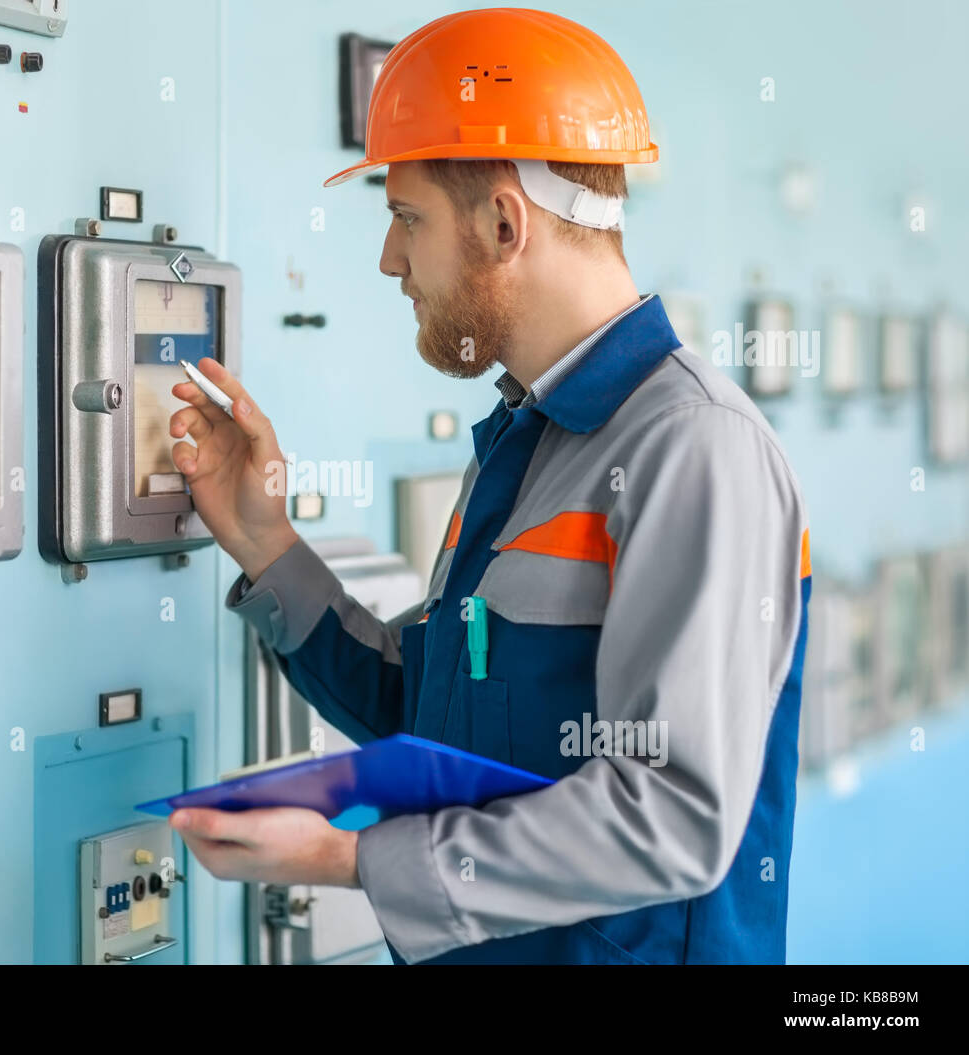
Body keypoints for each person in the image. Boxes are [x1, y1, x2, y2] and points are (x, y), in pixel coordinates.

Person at [165, 7, 811, 965]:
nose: (391, 261)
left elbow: (671, 816)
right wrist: (265, 541)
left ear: (504, 221)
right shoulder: (529, 438)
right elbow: (431, 718)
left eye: (405, 217)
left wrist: (355, 859)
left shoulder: (692, 448)